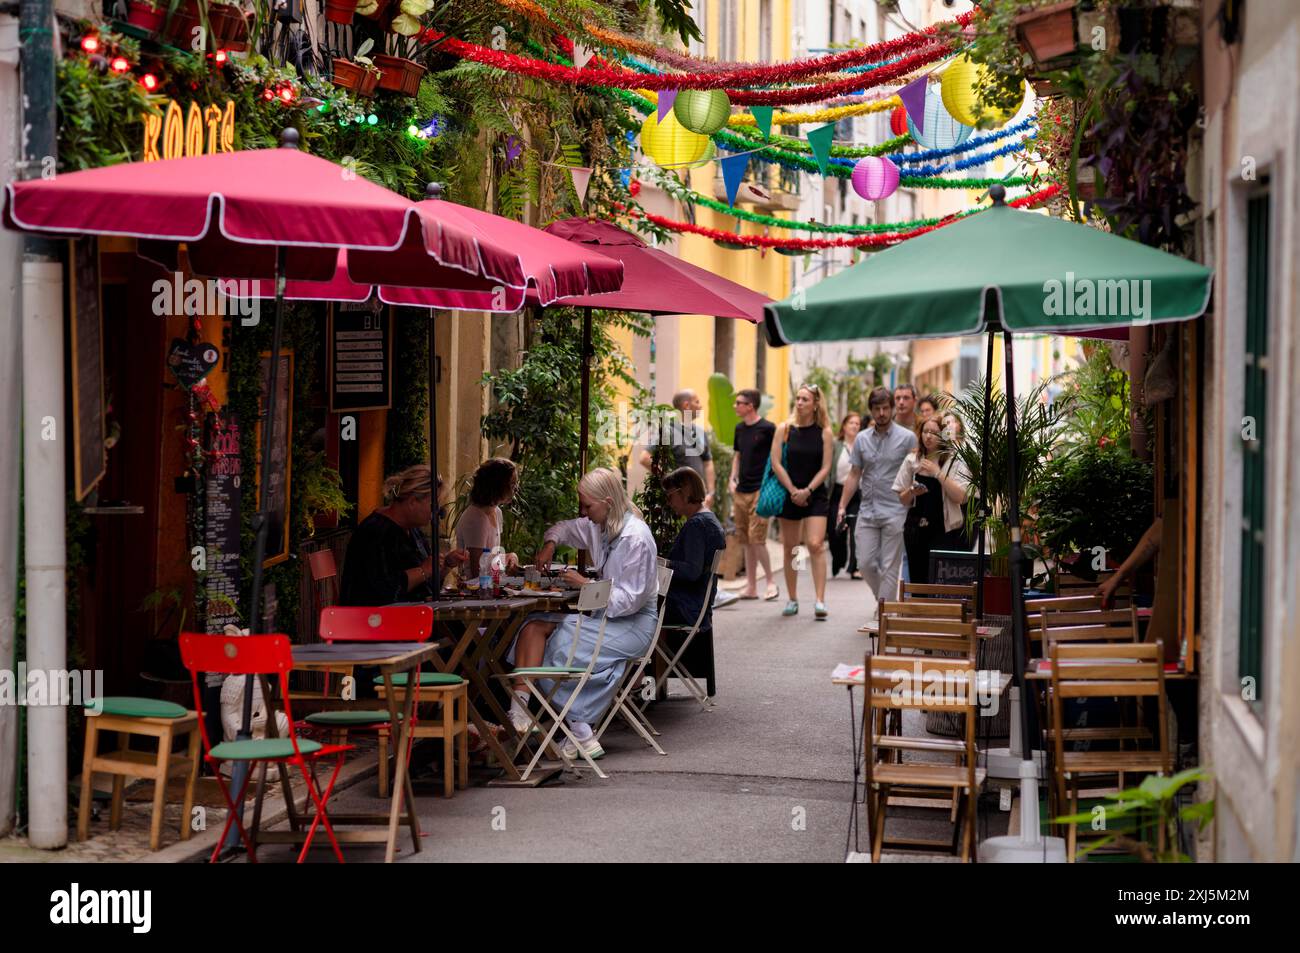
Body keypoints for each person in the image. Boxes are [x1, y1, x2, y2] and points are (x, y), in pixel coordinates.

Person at [507, 468, 659, 761]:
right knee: (533, 626)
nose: (584, 512)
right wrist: (550, 544)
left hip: (633, 626)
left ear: (607, 502)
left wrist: (585, 585)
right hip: (608, 619)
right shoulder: (599, 526)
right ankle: (521, 709)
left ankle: (578, 729)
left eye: (588, 506)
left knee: (561, 643)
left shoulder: (635, 538)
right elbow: (562, 528)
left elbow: (629, 602)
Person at [839, 387, 916, 628]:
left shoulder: (907, 438)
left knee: (890, 565)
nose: (882, 413)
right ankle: (884, 601)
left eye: (885, 408)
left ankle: (884, 610)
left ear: (892, 408)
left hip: (895, 509)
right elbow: (854, 474)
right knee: (865, 563)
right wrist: (842, 506)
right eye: (877, 409)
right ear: (871, 410)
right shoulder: (862, 439)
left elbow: (914, 471)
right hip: (868, 510)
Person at [339, 465, 467, 606]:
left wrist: (445, 564)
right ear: (413, 502)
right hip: (373, 620)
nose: (437, 512)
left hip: (412, 615)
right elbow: (384, 591)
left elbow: (425, 585)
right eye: (433, 506)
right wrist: (423, 570)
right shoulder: (375, 533)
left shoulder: (412, 530)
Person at [770, 383, 835, 619]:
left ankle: (819, 599)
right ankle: (793, 598)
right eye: (797, 398)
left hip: (815, 493)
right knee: (793, 548)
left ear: (816, 404)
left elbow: (826, 466)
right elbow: (776, 462)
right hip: (789, 493)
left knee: (816, 544)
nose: (799, 403)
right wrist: (792, 490)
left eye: (805, 399)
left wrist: (807, 490)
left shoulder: (824, 432)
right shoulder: (784, 429)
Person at [892, 417, 973, 585]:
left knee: (940, 580)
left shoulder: (954, 461)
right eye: (925, 432)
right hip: (915, 528)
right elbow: (902, 499)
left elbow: (961, 497)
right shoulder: (912, 460)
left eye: (934, 433)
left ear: (943, 435)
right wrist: (913, 491)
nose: (928, 436)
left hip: (944, 529)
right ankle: (918, 610)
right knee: (917, 579)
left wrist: (937, 473)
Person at [729, 388, 780, 601]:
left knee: (758, 539)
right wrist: (732, 478)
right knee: (746, 539)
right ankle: (751, 586)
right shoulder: (739, 429)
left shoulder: (768, 429)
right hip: (741, 491)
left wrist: (771, 484)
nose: (735, 406)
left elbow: (776, 457)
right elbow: (737, 456)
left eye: (739, 402)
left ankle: (770, 583)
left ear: (750, 406)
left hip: (760, 490)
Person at [660, 467, 726, 628]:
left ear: (686, 491)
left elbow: (692, 571)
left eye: (670, 496)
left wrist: (664, 564)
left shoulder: (696, 525)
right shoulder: (709, 519)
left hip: (685, 606)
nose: (669, 503)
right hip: (698, 603)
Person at [640, 388, 715, 510]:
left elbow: (708, 463)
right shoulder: (668, 431)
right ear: (686, 405)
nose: (701, 406)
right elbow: (644, 458)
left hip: (701, 500)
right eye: (697, 402)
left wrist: (711, 493)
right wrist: (670, 481)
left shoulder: (701, 432)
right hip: (679, 503)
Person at [456, 457, 521, 574]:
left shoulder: (496, 512)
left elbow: (491, 556)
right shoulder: (476, 518)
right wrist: (505, 562)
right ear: (497, 485)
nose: (515, 489)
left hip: (492, 583)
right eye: (511, 485)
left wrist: (509, 557)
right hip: (474, 588)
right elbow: (478, 570)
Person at [829, 412, 863, 579]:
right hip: (837, 491)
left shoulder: (863, 445)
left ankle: (854, 567)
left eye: (857, 424)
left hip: (857, 493)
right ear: (844, 426)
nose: (855, 426)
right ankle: (838, 558)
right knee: (835, 530)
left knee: (856, 530)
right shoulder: (836, 445)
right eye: (851, 423)